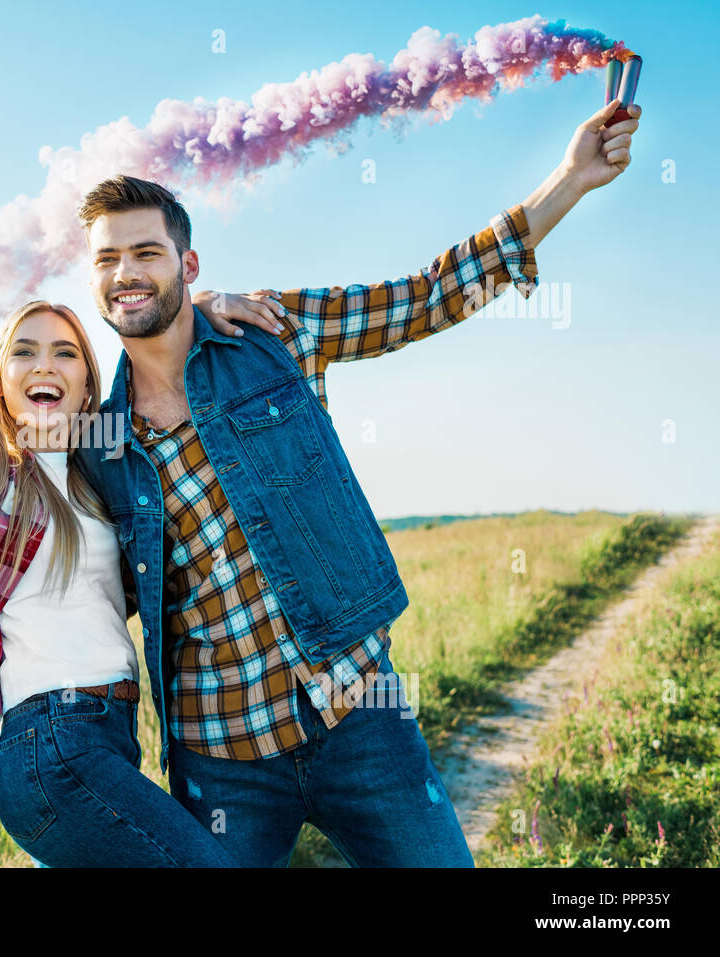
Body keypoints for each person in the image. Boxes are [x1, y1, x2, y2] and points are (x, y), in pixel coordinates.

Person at [69, 97, 643, 867]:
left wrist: (568, 181)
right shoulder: (102, 443)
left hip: (359, 714)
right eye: (107, 259)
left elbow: (426, 297)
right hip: (221, 759)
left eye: (145, 252)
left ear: (189, 265)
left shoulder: (275, 334)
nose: (125, 273)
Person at [0, 293, 277, 867]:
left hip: (116, 736)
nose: (45, 365)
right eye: (24, 352)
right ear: (1, 381)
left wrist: (191, 313)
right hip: (50, 744)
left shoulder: (107, 479)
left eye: (65, 353)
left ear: (85, 388)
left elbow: (163, 386)